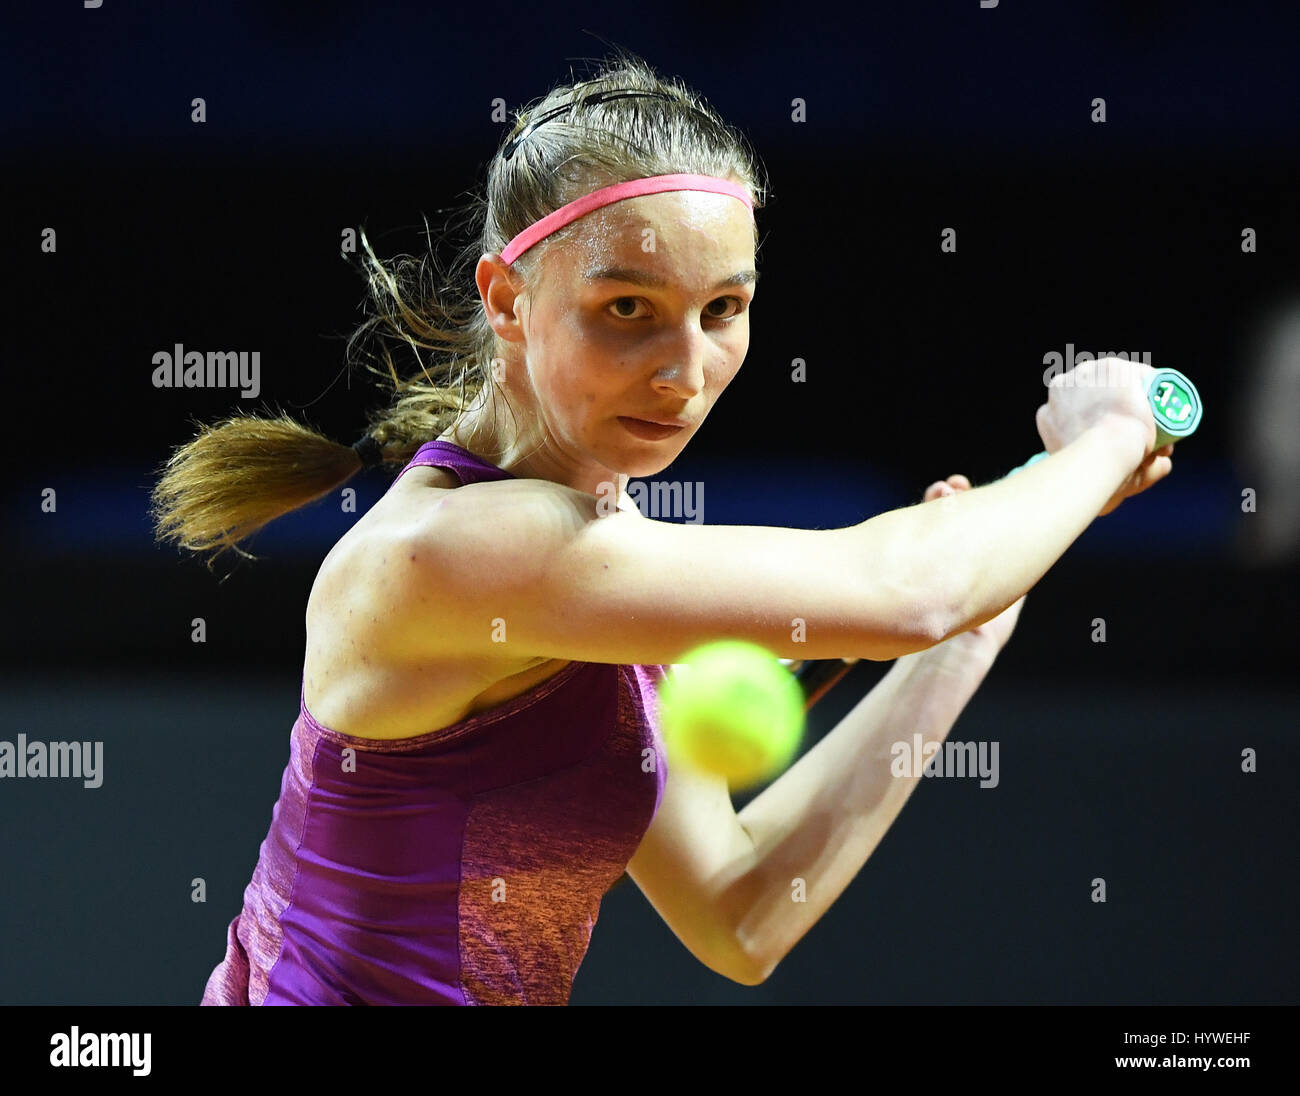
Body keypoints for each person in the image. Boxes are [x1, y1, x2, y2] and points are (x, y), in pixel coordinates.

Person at [153, 50, 1175, 1005]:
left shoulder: (601, 558)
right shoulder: (453, 552)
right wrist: (1110, 431)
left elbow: (740, 912)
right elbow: (908, 587)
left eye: (722, 308)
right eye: (629, 308)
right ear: (508, 298)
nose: (686, 373)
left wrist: (973, 628)